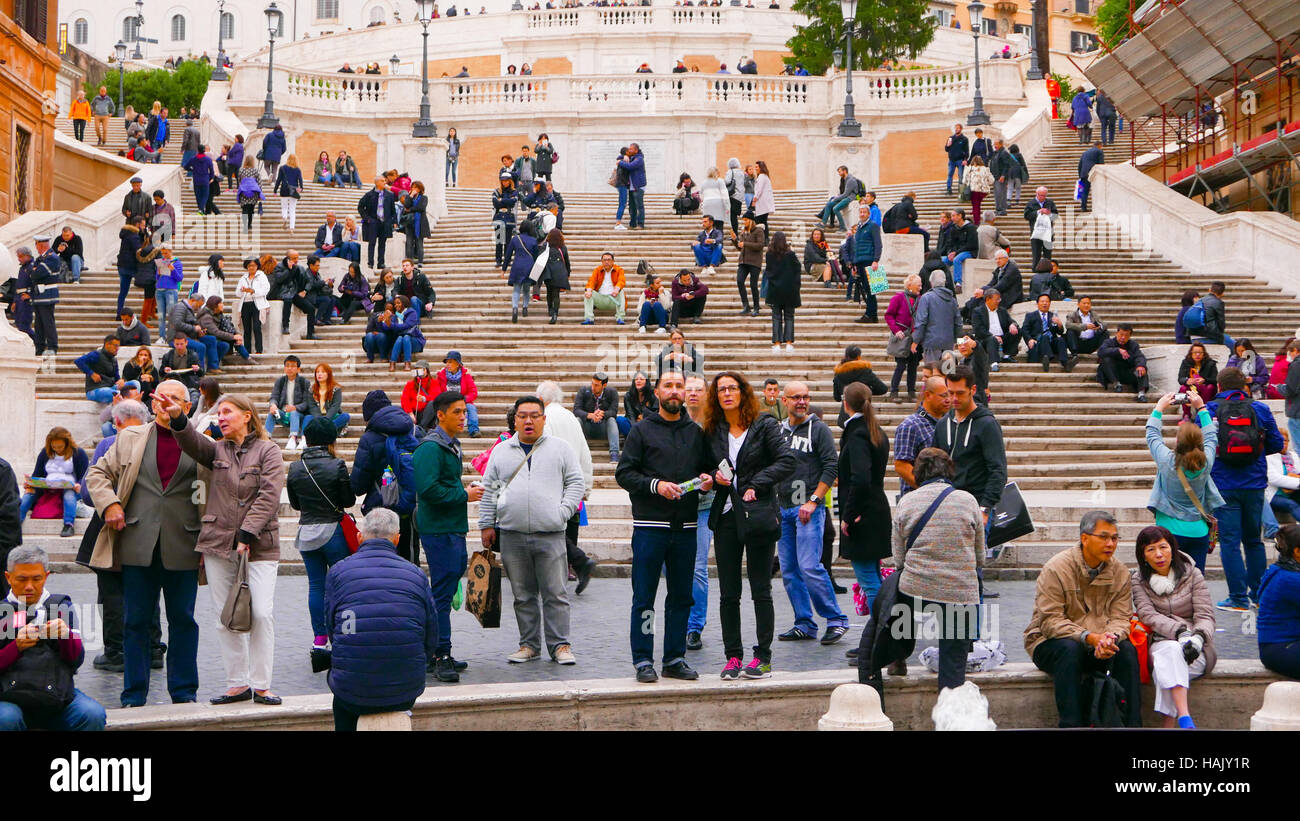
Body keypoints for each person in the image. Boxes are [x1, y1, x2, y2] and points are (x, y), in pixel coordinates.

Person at [155, 390, 286, 706]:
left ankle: (262, 684)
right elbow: (189, 440)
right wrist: (176, 416)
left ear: (247, 416)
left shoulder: (269, 451)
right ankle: (237, 683)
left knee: (262, 613)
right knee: (224, 616)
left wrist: (247, 532)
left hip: (260, 546)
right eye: (219, 414)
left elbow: (269, 496)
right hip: (217, 543)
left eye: (227, 412)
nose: (221, 418)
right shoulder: (217, 450)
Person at [86, 380, 202, 707]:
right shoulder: (129, 438)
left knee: (183, 620)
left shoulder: (200, 443)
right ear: (152, 403)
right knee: (134, 621)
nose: (165, 404)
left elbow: (208, 492)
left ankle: (184, 692)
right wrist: (109, 503)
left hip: (185, 544)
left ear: (187, 406)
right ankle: (133, 695)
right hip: (137, 543)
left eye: (174, 399)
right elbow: (96, 474)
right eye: (160, 398)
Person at [616, 370, 715, 682]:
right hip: (649, 528)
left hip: (686, 527)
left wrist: (708, 479)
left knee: (681, 597)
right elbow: (625, 473)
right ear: (656, 393)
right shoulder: (641, 431)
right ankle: (643, 659)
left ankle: (674, 657)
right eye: (668, 386)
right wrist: (655, 485)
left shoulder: (696, 433)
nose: (675, 391)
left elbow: (707, 469)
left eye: (679, 386)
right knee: (644, 598)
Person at [702, 371, 796, 680]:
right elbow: (705, 467)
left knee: (760, 588)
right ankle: (732, 656)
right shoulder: (713, 430)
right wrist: (711, 479)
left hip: (758, 515)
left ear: (743, 392)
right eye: (721, 390)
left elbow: (785, 461)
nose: (727, 393)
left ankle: (763, 657)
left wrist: (756, 483)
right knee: (729, 591)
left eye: (732, 388)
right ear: (716, 397)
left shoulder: (764, 424)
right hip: (727, 514)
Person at [479, 395, 584, 664]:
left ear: (543, 419)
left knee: (556, 593)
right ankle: (529, 644)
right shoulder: (501, 452)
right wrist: (486, 524)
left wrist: (562, 512)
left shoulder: (561, 448)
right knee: (522, 595)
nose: (528, 421)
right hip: (512, 534)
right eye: (522, 415)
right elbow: (490, 489)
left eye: (534, 416)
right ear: (515, 420)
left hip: (550, 533)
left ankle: (560, 645)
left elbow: (576, 483)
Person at [1025, 511, 1142, 728]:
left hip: (1100, 643)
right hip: (1051, 642)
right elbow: (1050, 621)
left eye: (1115, 538)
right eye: (1104, 537)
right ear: (1084, 538)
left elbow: (1122, 617)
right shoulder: (1057, 568)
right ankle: (1072, 725)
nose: (1110, 544)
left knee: (1126, 650)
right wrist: (1089, 638)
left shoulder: (1120, 572)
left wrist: (1110, 639)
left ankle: (1132, 725)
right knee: (1070, 650)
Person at [324, 508, 437, 730]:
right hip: (405, 689)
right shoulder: (416, 574)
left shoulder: (338, 572)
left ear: (359, 537)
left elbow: (331, 627)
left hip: (351, 689)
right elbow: (431, 634)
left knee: (343, 702)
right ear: (397, 539)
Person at [890, 447, 985, 688]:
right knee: (954, 663)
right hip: (959, 591)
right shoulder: (968, 500)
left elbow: (899, 559)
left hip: (917, 589)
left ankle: (897, 657)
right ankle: (950, 699)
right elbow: (980, 557)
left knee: (900, 595)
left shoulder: (906, 502)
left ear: (918, 473)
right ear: (950, 470)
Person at [413, 391, 485, 682]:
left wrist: (461, 491)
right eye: (457, 412)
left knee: (445, 588)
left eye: (465, 412)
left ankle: (436, 650)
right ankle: (440, 653)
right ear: (440, 414)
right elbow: (427, 490)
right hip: (439, 529)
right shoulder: (430, 448)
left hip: (452, 527)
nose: (463, 417)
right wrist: (463, 494)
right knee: (441, 594)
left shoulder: (451, 445)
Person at [0, 546, 107, 731]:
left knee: (92, 714)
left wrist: (65, 636)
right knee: (6, 719)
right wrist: (16, 647)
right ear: (8, 578)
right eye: (22, 579)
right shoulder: (3, 612)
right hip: (9, 695)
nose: (29, 586)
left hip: (56, 692)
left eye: (36, 579)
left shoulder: (60, 607)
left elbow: (76, 661)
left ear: (46, 576)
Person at [1207, 367, 1285, 610]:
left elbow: (1203, 443)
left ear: (1219, 387)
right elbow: (1277, 443)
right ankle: (1259, 595)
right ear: (1244, 386)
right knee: (1254, 540)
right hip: (1254, 483)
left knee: (1229, 541)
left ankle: (1238, 598)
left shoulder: (1210, 409)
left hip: (1224, 483)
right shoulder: (1260, 408)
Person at [775, 381, 847, 643]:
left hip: (808, 507)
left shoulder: (819, 429)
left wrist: (814, 500)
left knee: (809, 566)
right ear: (784, 401)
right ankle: (804, 622)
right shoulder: (777, 431)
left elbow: (831, 466)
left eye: (805, 397)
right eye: (796, 397)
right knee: (790, 570)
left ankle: (836, 619)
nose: (801, 402)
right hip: (783, 508)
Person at [286, 416, 356, 668]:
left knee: (316, 586)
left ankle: (319, 640)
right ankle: (343, 637)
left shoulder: (295, 468)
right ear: (331, 440)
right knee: (342, 586)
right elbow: (348, 501)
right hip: (333, 530)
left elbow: (295, 504)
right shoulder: (337, 464)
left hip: (306, 531)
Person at [1131, 525, 1216, 728]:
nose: (1159, 554)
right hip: (1161, 641)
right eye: (1150, 550)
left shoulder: (1193, 574)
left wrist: (1197, 637)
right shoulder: (1138, 580)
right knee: (1169, 652)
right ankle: (1184, 717)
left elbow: (1205, 614)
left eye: (1163, 547)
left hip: (1196, 648)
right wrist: (1179, 631)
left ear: (1173, 549)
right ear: (1143, 556)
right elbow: (1147, 615)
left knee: (1166, 664)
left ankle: (1168, 725)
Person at [1146, 390, 1222, 571]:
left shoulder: (1166, 460)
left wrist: (1159, 408)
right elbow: (1212, 437)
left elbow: (1152, 435)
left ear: (1178, 441)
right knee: (1196, 580)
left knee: (1170, 577)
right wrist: (1202, 408)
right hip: (1199, 531)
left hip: (1168, 531)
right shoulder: (1206, 462)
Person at [535, 381, 599, 592]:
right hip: (574, 485)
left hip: (555, 485)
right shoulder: (571, 417)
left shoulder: (545, 419)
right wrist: (585, 487)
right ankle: (573, 569)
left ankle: (578, 563)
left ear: (541, 399)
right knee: (570, 531)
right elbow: (584, 452)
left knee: (553, 532)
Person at [836, 381, 892, 613]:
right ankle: (881, 637)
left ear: (845, 403)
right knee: (874, 577)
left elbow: (860, 478)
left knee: (869, 581)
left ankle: (880, 639)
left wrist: (849, 515)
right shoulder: (874, 430)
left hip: (863, 515)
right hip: (875, 510)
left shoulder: (858, 433)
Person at [932, 365, 1007, 527]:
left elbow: (998, 470)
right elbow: (935, 466)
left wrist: (985, 508)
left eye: (960, 393)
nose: (954, 399)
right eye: (950, 393)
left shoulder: (987, 424)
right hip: (946, 505)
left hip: (975, 506)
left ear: (972, 390)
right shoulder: (943, 424)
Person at [17, 428, 87, 539]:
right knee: (28, 495)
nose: (57, 450)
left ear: (67, 443)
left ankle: (68, 525)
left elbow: (84, 476)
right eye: (54, 447)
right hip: (47, 487)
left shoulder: (78, 453)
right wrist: (30, 483)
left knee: (69, 496)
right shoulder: (45, 453)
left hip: (71, 488)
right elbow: (37, 473)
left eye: (60, 447)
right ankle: (16, 523)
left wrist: (78, 485)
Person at [894, 376, 949, 496]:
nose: (948, 399)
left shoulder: (949, 423)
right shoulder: (910, 426)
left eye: (950, 394)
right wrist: (926, 491)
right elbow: (901, 466)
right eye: (943, 395)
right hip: (918, 501)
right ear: (928, 395)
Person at [1257, 524, 1300, 679]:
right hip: (1282, 648)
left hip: (1277, 647)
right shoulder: (1291, 580)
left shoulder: (1280, 569)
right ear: (1297, 552)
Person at [885, 274, 923, 403]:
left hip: (914, 338)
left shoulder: (921, 299)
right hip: (901, 338)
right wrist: (896, 330)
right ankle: (894, 392)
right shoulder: (898, 298)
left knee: (913, 365)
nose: (920, 287)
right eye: (918, 285)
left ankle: (911, 392)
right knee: (901, 365)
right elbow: (889, 315)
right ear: (910, 285)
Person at [831, 345, 886, 428]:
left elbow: (837, 397)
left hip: (845, 415)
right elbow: (883, 389)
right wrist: (866, 392)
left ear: (845, 356)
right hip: (863, 413)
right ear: (859, 356)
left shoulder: (839, 373)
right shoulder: (865, 371)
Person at [266, 354, 313, 450]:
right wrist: (273, 405)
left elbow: (306, 403)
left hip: (299, 416)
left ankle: (293, 438)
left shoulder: (304, 382)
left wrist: (295, 408)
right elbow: (274, 397)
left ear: (298, 369)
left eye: (292, 366)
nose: (289, 368)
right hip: (284, 415)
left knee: (294, 412)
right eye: (287, 366)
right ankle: (266, 438)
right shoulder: (280, 381)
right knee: (272, 413)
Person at [765, 230, 801, 352]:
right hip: (790, 289)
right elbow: (798, 268)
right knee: (789, 317)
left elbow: (768, 271)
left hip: (775, 289)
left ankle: (777, 343)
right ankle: (789, 343)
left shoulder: (769, 254)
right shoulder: (790, 254)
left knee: (776, 317)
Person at [1097, 323, 1149, 402]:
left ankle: (1141, 394)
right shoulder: (1108, 342)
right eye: (1121, 334)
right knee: (1106, 360)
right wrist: (1117, 350)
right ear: (1117, 333)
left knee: (1141, 369)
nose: (1123, 337)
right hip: (1112, 373)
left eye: (1126, 336)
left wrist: (1141, 365)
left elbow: (1139, 356)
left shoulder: (1133, 345)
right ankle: (1116, 384)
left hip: (1126, 372)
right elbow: (1101, 352)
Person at [1022, 293, 1072, 372]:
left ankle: (1065, 362)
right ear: (1037, 303)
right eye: (1042, 301)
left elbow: (1060, 332)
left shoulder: (1053, 315)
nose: (1045, 303)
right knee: (1044, 337)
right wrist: (1029, 340)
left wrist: (1059, 324)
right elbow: (1025, 330)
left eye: (1047, 301)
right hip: (1038, 342)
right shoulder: (1030, 315)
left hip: (1051, 342)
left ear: (1049, 303)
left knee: (1061, 340)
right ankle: (1047, 359)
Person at [729, 210, 766, 317]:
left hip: (754, 261)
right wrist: (735, 240)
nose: (743, 222)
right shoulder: (743, 232)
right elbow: (739, 248)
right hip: (743, 261)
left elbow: (760, 245)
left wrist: (745, 243)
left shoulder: (758, 231)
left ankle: (756, 306)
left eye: (745, 220)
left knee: (753, 285)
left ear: (750, 220)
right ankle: (746, 305)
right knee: (740, 281)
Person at [359, 177, 398, 270]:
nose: (385, 182)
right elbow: (360, 207)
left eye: (385, 181)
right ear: (376, 183)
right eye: (382, 181)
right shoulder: (369, 195)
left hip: (384, 222)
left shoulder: (390, 195)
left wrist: (394, 221)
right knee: (372, 243)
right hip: (373, 222)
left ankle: (381, 263)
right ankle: (370, 263)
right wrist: (367, 218)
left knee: (382, 244)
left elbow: (393, 210)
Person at [303, 363, 350, 433]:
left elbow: (335, 406)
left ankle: (324, 430)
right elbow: (312, 407)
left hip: (331, 416)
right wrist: (320, 419)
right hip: (317, 417)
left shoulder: (336, 389)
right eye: (317, 372)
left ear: (328, 374)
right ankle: (304, 439)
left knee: (345, 416)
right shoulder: (311, 389)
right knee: (307, 418)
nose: (319, 374)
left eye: (323, 372)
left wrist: (326, 419)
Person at [235, 257, 270, 355]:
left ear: (257, 266)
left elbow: (266, 289)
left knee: (256, 327)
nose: (251, 268)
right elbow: (237, 292)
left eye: (254, 265)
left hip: (257, 305)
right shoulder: (243, 277)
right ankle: (247, 350)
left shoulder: (261, 276)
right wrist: (242, 290)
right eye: (249, 266)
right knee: (246, 329)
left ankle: (259, 350)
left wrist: (253, 291)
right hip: (245, 304)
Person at [75, 335, 124, 404]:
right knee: (116, 394)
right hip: (95, 390)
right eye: (115, 346)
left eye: (118, 346)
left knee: (134, 384)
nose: (117, 348)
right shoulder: (96, 355)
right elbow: (79, 361)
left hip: (110, 387)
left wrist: (120, 381)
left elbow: (116, 377)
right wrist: (91, 373)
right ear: (107, 345)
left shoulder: (114, 359)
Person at [582, 252, 627, 325]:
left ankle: (620, 318)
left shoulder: (619, 270)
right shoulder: (597, 270)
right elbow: (591, 281)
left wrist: (616, 289)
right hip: (600, 299)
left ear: (613, 261)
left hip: (613, 298)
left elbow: (621, 281)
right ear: (602, 262)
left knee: (621, 291)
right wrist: (589, 290)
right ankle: (589, 318)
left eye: (609, 260)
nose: (607, 262)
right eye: (604, 260)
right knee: (588, 292)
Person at [816, 165, 864, 232]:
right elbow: (843, 193)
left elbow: (846, 194)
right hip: (846, 197)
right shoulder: (845, 179)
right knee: (829, 204)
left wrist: (835, 199)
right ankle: (823, 223)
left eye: (839, 172)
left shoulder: (850, 180)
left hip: (850, 198)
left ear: (844, 171)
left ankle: (843, 227)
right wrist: (836, 197)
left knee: (835, 208)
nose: (839, 174)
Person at [1178, 342, 1219, 418]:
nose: (1197, 355)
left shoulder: (1210, 363)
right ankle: (1186, 415)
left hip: (1204, 388)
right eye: (1195, 353)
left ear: (1204, 354)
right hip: (1191, 388)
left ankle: (1203, 411)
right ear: (1191, 354)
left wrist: (1204, 380)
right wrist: (1187, 381)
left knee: (1210, 387)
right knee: (1183, 388)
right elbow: (1180, 379)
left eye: (1200, 353)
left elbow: (1215, 379)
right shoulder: (1185, 362)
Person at [1023, 186, 1059, 269]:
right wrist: (1038, 212)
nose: (1043, 197)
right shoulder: (1031, 203)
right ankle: (1036, 270)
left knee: (1048, 253)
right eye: (1041, 195)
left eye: (1044, 195)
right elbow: (1027, 216)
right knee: (1036, 253)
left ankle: (1047, 270)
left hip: (1047, 233)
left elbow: (1055, 216)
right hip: (1036, 233)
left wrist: (1049, 213)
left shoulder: (1050, 203)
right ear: (1037, 194)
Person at [493, 174, 519, 270]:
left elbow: (512, 202)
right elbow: (495, 203)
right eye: (503, 180)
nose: (505, 182)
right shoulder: (496, 191)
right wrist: (506, 201)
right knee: (499, 240)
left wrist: (502, 200)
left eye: (507, 180)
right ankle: (498, 260)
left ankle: (507, 260)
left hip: (509, 217)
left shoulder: (514, 191)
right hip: (499, 217)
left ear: (510, 181)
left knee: (508, 241)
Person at [618, 143, 647, 229]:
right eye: (629, 149)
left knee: (639, 206)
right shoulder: (632, 157)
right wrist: (623, 157)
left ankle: (640, 224)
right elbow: (620, 156)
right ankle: (633, 223)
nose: (629, 150)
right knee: (632, 206)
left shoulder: (639, 159)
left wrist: (620, 162)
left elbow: (630, 166)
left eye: (631, 149)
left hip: (638, 186)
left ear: (636, 150)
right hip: (631, 186)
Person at [274, 154, 305, 232]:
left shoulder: (282, 168)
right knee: (292, 210)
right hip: (293, 191)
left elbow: (278, 180)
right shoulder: (298, 169)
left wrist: (275, 190)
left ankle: (284, 218)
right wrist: (301, 188)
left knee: (284, 207)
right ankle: (292, 228)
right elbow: (300, 180)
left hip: (284, 190)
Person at [183, 146, 218, 215]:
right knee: (205, 195)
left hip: (196, 180)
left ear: (198, 150)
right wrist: (211, 178)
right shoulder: (208, 159)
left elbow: (186, 166)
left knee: (198, 195)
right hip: (205, 179)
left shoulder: (193, 159)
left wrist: (192, 170)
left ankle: (200, 210)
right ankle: (201, 210)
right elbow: (211, 170)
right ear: (204, 150)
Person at [402, 181, 431, 264]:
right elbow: (406, 205)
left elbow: (421, 208)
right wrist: (410, 196)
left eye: (416, 187)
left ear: (420, 189)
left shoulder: (424, 198)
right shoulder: (409, 197)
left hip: (420, 223)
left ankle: (420, 261)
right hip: (410, 223)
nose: (413, 189)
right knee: (409, 242)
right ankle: (409, 262)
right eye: (412, 187)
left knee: (419, 243)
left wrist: (410, 210)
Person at [962, 156, 994, 225]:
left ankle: (977, 222)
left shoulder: (969, 168)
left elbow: (964, 181)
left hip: (973, 190)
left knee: (976, 206)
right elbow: (992, 180)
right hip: (983, 191)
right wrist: (985, 183)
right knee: (977, 205)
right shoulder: (985, 169)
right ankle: (975, 215)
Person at [1078, 140, 1104, 212]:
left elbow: (1080, 165)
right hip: (1093, 173)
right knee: (1097, 190)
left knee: (1085, 192)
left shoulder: (1085, 152)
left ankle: (1083, 207)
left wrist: (1080, 175)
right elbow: (1101, 164)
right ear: (1099, 145)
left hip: (1084, 174)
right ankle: (1098, 207)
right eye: (1101, 146)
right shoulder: (1099, 151)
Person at [944, 123, 969, 196]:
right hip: (951, 160)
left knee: (961, 175)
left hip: (960, 160)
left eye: (958, 128)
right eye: (955, 128)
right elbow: (946, 149)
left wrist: (965, 159)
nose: (956, 129)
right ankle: (949, 189)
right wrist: (947, 145)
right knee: (949, 175)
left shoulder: (964, 139)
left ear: (961, 129)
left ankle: (961, 191)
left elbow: (967, 150)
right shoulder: (951, 138)